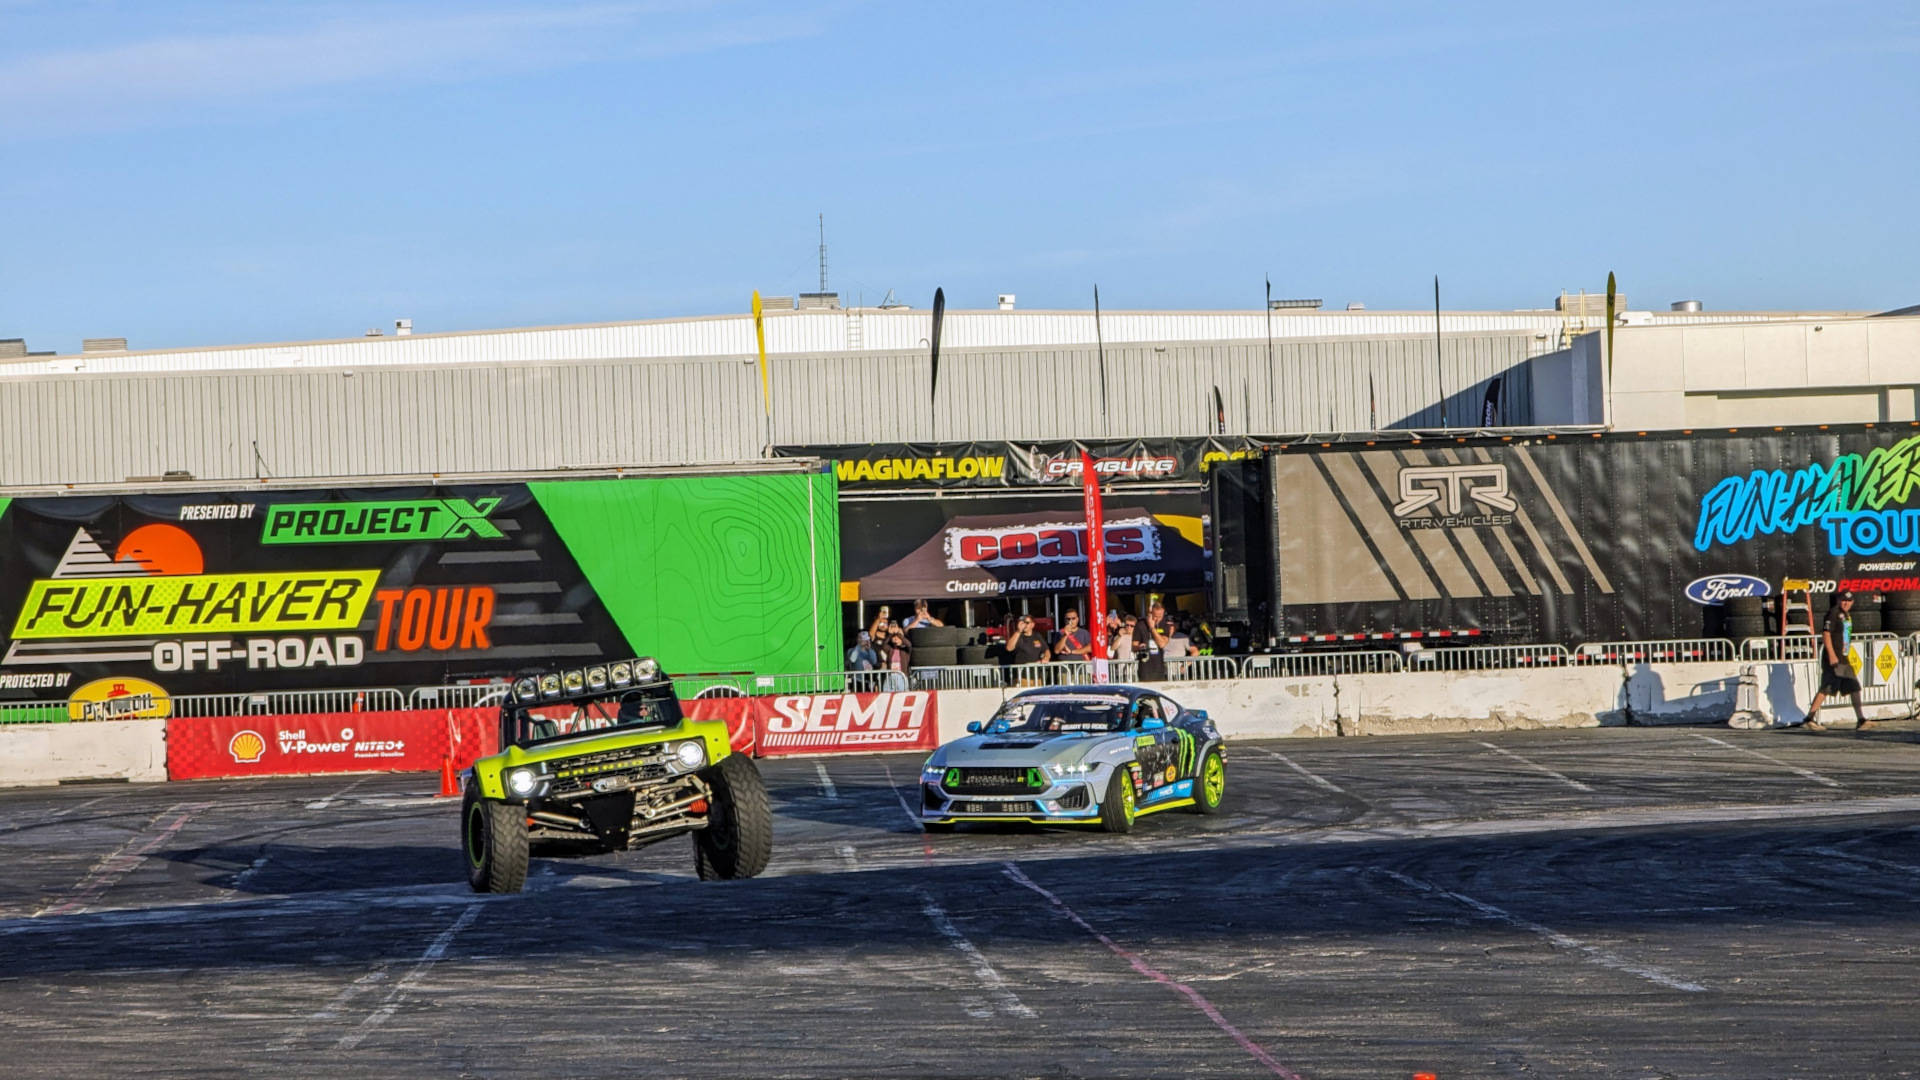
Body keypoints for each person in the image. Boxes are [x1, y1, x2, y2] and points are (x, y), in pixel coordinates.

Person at [1805, 590, 1872, 732]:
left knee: (1854, 686)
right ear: (1838, 600)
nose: (1845, 603)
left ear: (1852, 602)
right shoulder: (1833, 613)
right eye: (1843, 600)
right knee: (1827, 687)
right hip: (1834, 657)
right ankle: (1809, 719)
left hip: (1843, 657)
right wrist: (1831, 655)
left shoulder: (1845, 614)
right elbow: (1826, 633)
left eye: (1848, 601)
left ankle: (1861, 719)